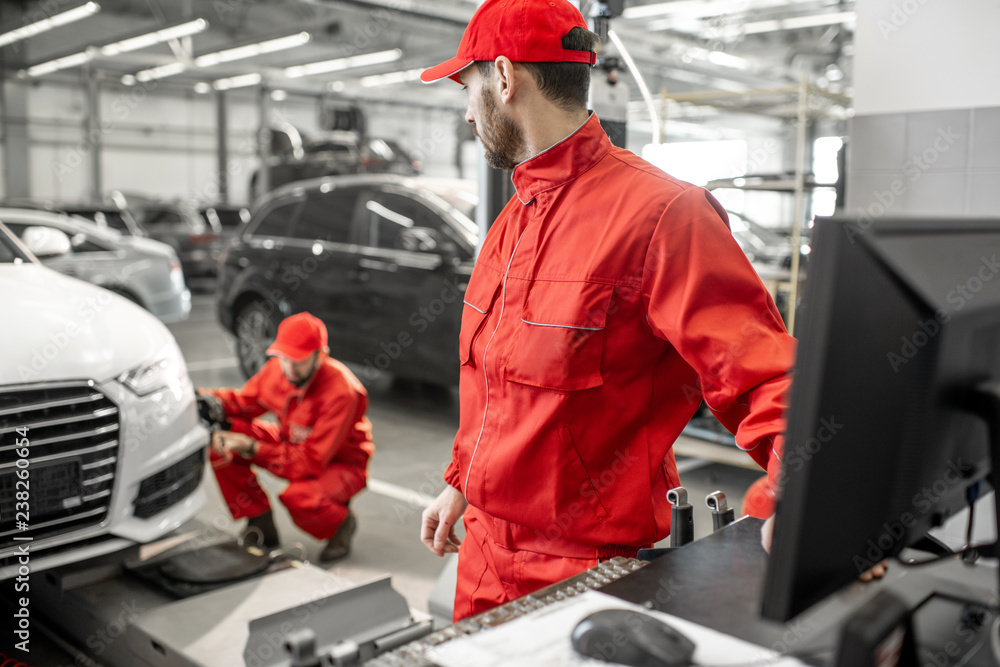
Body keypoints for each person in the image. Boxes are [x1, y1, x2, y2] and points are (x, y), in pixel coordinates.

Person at [418, 0, 798, 621]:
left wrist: (802, 493)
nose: (466, 112)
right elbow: (497, 386)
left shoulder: (664, 217)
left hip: (585, 574)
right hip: (484, 554)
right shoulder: (512, 221)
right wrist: (462, 482)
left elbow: (763, 375)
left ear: (506, 78)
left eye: (469, 87)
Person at [198, 311, 374, 562]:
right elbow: (243, 402)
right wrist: (205, 399)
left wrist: (253, 446)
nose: (289, 368)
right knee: (222, 444)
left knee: (299, 497)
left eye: (298, 360)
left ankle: (342, 523)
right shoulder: (278, 370)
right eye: (284, 358)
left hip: (340, 463)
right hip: (291, 442)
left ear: (320, 355)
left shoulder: (343, 392)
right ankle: (261, 525)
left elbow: (311, 460)